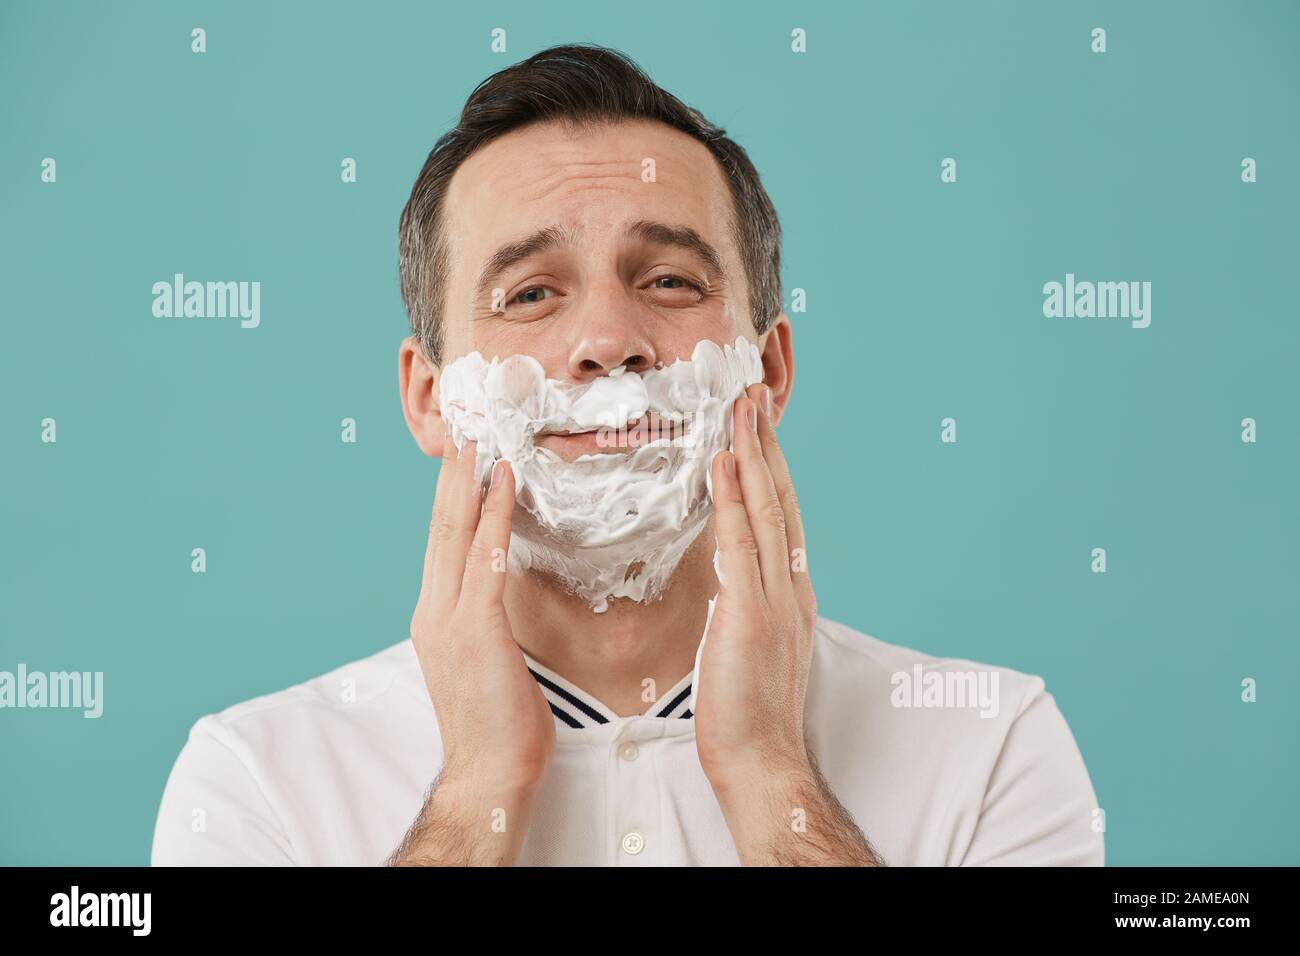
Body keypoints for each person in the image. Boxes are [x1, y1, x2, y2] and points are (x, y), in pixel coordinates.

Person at [152, 44, 1104, 867]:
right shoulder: (257, 782)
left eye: (670, 280)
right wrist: (474, 792)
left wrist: (772, 778)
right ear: (428, 398)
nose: (609, 338)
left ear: (768, 370)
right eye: (530, 294)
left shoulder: (988, 743)